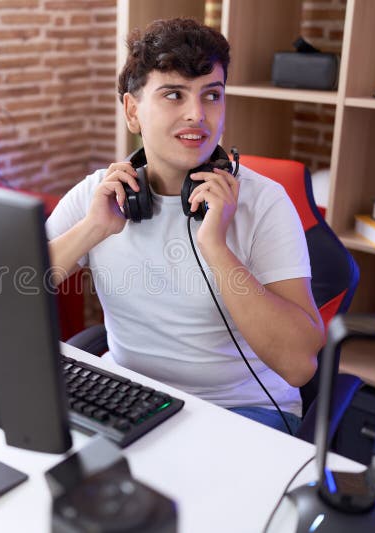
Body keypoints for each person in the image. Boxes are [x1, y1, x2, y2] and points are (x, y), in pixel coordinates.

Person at [45, 18, 325, 433]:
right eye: (174, 95)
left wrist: (216, 246)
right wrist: (92, 229)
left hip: (239, 410)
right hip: (128, 394)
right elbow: (8, 291)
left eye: (211, 95)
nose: (197, 114)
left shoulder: (264, 203)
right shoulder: (98, 194)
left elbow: (299, 364)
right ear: (132, 111)